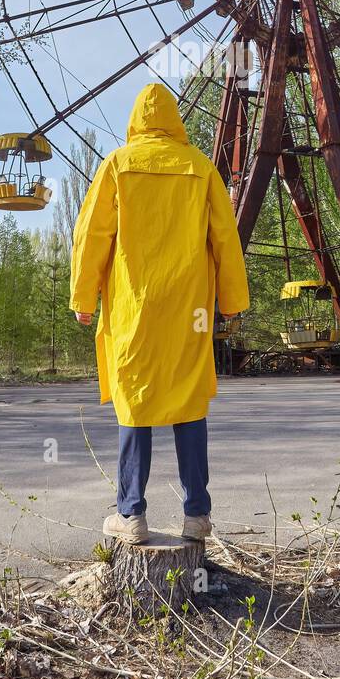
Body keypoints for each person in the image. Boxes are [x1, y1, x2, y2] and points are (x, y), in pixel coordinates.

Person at [70, 82, 249, 544]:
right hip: (189, 307)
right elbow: (225, 240)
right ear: (174, 120)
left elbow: (93, 235)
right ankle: (197, 515)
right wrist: (231, 302)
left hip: (135, 307)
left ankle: (131, 514)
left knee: (135, 403)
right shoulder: (200, 168)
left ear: (136, 120)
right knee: (189, 400)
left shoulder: (117, 165)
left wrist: (84, 298)